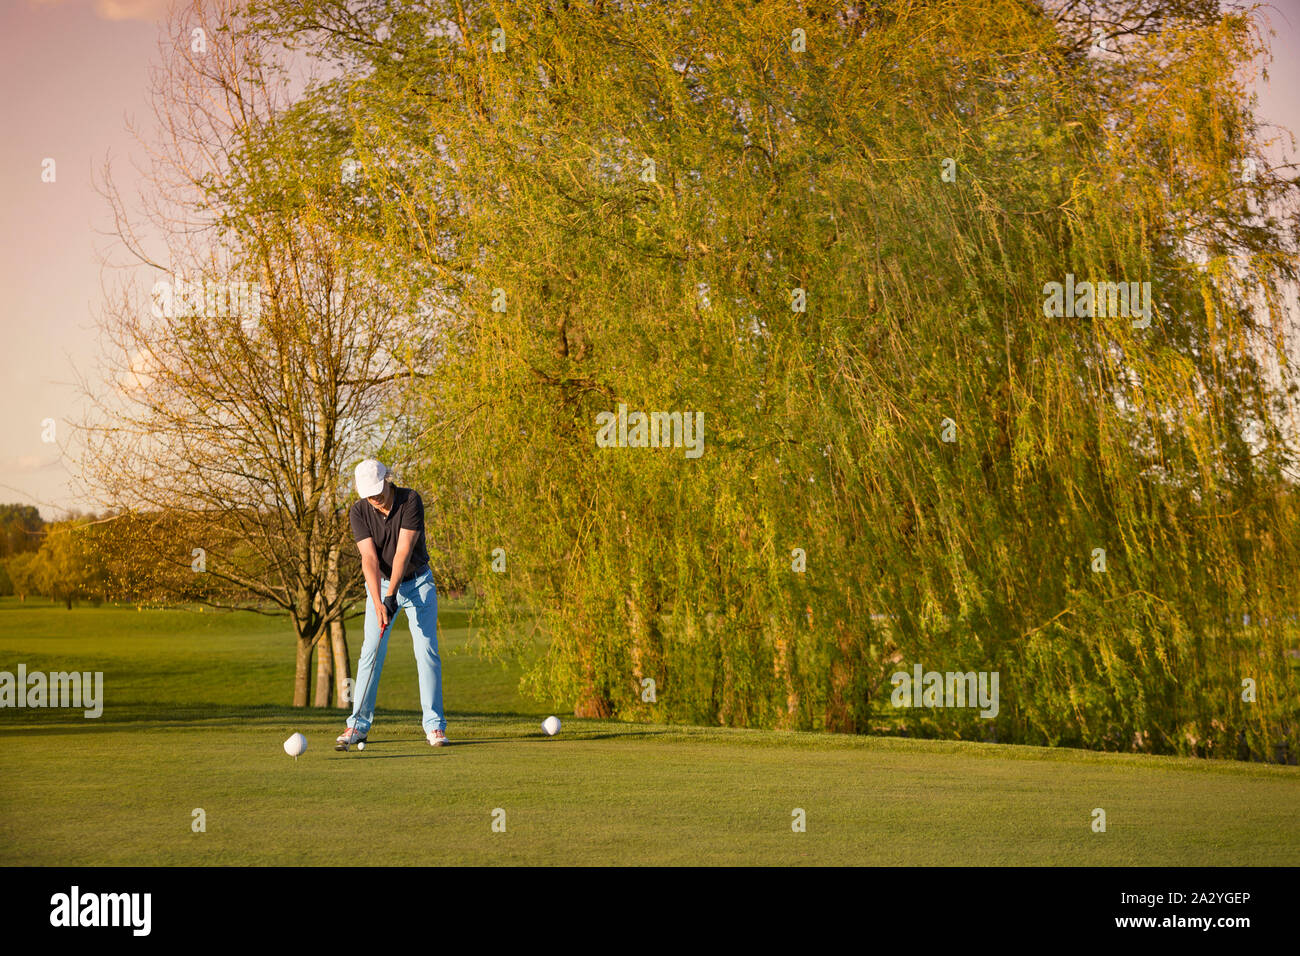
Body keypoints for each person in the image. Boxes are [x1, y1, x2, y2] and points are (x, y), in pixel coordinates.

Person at [335, 458, 448, 749]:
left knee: (426, 651)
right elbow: (369, 559)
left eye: (378, 491)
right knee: (370, 651)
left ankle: (434, 727)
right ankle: (357, 725)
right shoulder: (359, 511)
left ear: (387, 479)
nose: (375, 499)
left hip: (418, 582)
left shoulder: (410, 500)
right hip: (380, 585)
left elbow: (403, 552)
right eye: (369, 494)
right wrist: (378, 601)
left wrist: (391, 597)